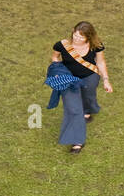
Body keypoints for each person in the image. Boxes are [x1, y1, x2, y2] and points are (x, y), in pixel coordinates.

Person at [46, 21, 113, 153]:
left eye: (81, 37)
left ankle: (88, 110)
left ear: (89, 37)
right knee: (74, 109)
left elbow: (100, 62)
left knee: (88, 97)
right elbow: (54, 57)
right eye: (76, 35)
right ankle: (77, 141)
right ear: (73, 31)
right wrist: (58, 71)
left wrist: (106, 80)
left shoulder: (96, 45)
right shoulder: (61, 45)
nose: (77, 39)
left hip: (90, 76)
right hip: (69, 80)